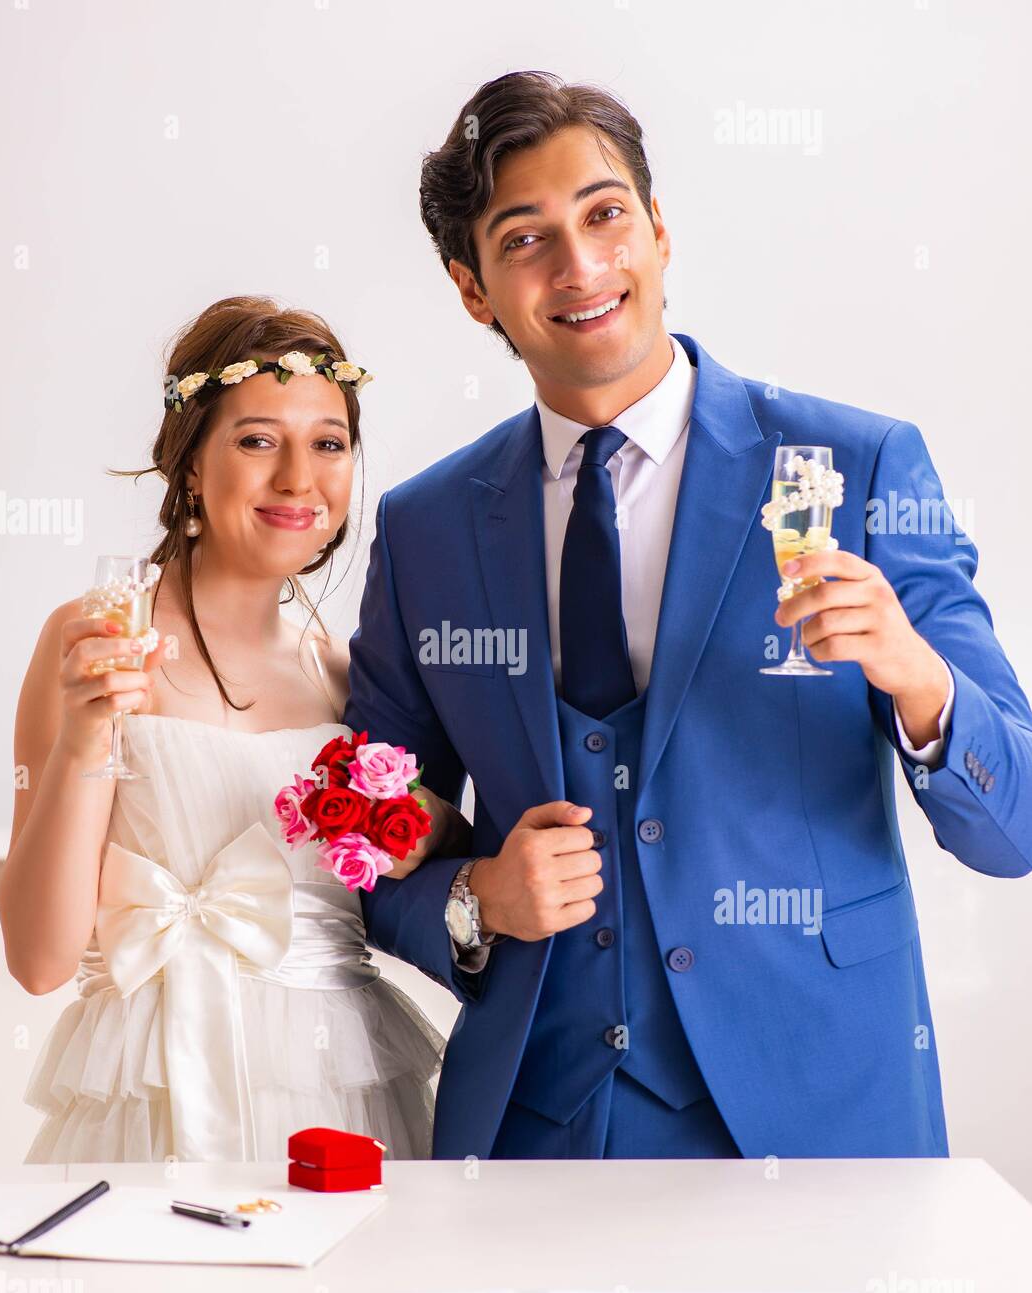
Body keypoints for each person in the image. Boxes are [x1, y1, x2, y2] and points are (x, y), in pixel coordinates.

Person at [343, 71, 1032, 1160]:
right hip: (536, 1133)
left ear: (658, 232)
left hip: (819, 1117)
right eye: (524, 239)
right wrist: (474, 899)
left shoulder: (854, 466)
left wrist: (915, 677)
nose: (579, 266)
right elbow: (362, 833)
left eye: (604, 214)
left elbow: (1016, 824)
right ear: (472, 290)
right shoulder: (426, 527)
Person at [0, 295, 467, 1162]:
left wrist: (429, 821)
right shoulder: (94, 643)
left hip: (338, 1099)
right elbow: (38, 960)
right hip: (150, 1093)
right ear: (188, 464)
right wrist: (82, 740)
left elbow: (419, 865)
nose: (298, 478)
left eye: (328, 443)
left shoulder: (346, 680)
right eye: (257, 440)